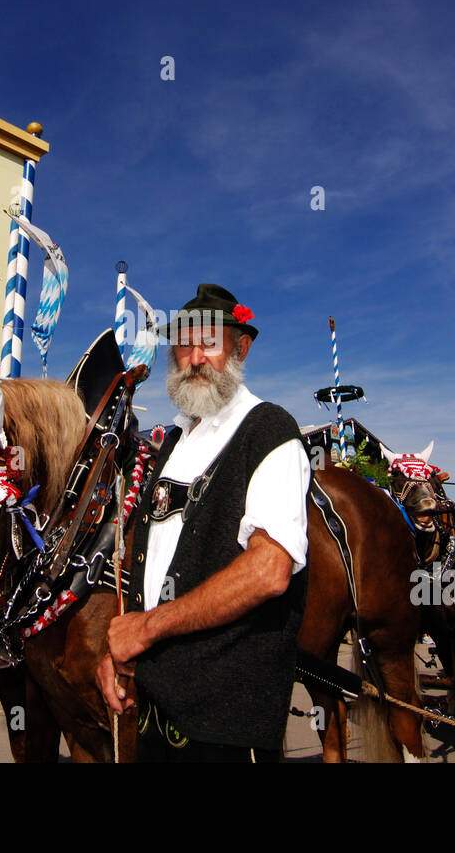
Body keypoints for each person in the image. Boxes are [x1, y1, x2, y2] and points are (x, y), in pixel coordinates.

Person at [99, 283, 311, 762]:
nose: (195, 358)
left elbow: (268, 571)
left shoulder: (268, 429)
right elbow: (147, 565)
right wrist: (118, 651)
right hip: (155, 713)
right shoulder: (172, 444)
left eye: (209, 343)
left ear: (240, 347)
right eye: (183, 344)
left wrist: (147, 630)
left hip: (226, 733)